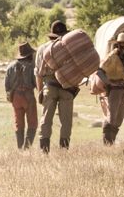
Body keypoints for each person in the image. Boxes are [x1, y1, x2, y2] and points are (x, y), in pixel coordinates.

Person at [35, 20, 78, 153]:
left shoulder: (42, 48)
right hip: (67, 88)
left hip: (49, 86)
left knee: (46, 119)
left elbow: (38, 74)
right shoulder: (70, 48)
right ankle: (63, 151)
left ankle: (44, 151)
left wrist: (40, 91)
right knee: (66, 121)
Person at [98, 31, 124, 145]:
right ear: (118, 44)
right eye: (122, 44)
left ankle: (110, 142)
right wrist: (109, 84)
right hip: (114, 90)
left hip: (123, 89)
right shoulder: (112, 56)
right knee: (112, 117)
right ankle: (107, 143)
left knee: (119, 118)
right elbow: (100, 71)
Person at [4, 41, 37, 149]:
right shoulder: (31, 67)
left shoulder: (10, 67)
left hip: (15, 97)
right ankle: (27, 147)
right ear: (29, 55)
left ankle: (19, 148)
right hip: (28, 96)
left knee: (19, 123)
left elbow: (7, 85)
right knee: (32, 123)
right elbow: (35, 83)